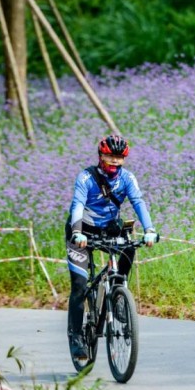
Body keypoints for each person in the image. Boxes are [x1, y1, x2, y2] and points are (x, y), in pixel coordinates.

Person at [65, 134, 157, 359]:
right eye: (110, 156)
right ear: (100, 155)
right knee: (79, 285)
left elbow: (138, 202)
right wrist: (77, 232)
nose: (114, 161)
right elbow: (77, 205)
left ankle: (117, 295)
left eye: (119, 157)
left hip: (109, 228)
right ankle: (76, 337)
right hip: (82, 231)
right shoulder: (86, 177)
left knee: (129, 247)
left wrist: (150, 230)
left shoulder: (127, 178)